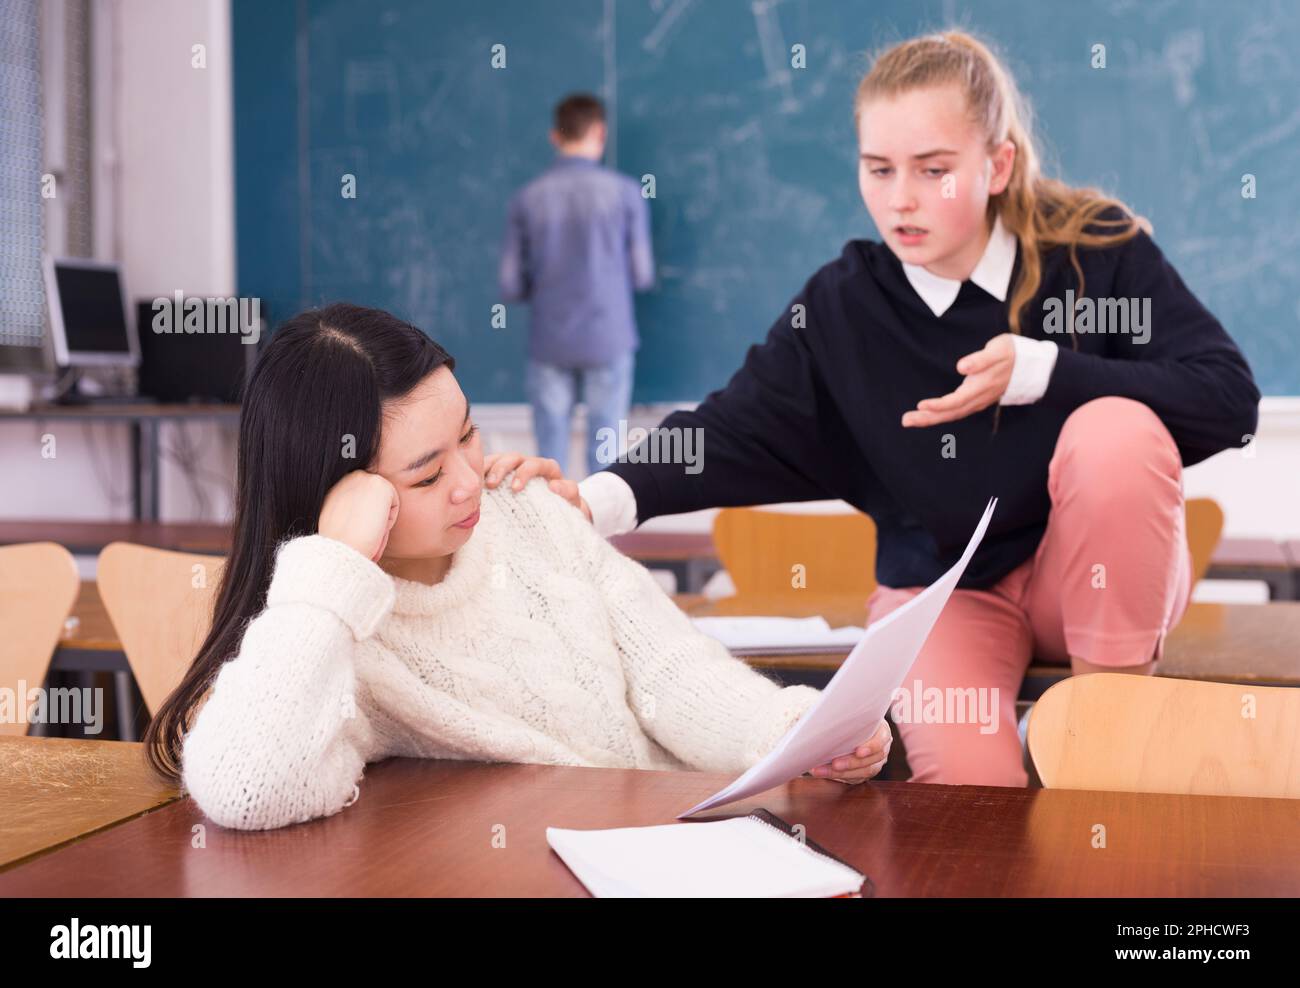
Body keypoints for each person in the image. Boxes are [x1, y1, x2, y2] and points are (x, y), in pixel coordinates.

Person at [484, 30, 1261, 789]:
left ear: (997, 165)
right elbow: (730, 428)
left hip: (1087, 582)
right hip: (946, 594)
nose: (901, 199)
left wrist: (1047, 371)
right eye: (879, 169)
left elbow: (1228, 399)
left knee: (1115, 430)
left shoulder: (1098, 255)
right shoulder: (844, 305)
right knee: (970, 799)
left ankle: (1107, 742)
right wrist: (590, 499)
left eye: (933, 170)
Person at [142, 303, 889, 831]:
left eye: (469, 435)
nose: (471, 481)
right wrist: (334, 564)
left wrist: (796, 732)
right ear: (340, 494)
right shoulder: (334, 628)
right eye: (427, 475)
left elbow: (670, 668)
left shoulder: (525, 511)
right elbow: (246, 789)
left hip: (669, 839)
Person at [499, 92, 655, 478]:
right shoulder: (626, 193)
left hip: (550, 338)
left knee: (549, 459)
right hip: (609, 335)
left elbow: (510, 285)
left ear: (555, 136)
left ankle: (553, 515)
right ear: (600, 133)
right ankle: (599, 516)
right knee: (605, 452)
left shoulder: (527, 198)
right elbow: (642, 274)